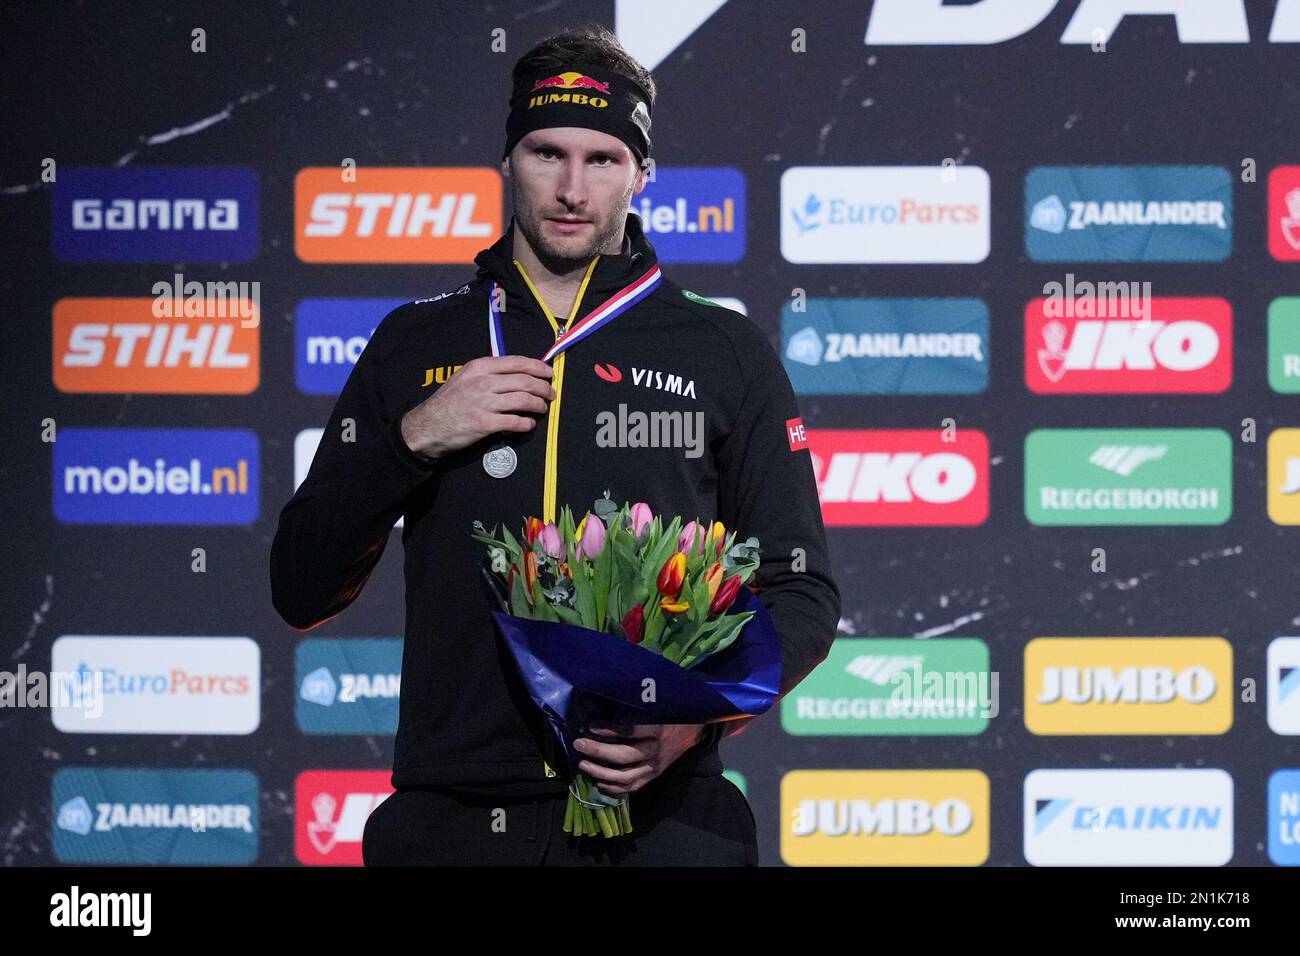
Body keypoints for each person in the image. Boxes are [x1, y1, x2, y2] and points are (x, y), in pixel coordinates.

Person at [270, 23, 840, 866]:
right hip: (454, 818)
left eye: (603, 159)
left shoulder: (722, 350)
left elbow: (801, 591)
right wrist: (415, 439)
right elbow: (300, 586)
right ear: (507, 160)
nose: (572, 188)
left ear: (642, 173)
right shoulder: (413, 343)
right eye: (546, 153)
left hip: (663, 820)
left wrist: (689, 722)